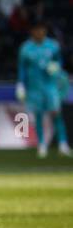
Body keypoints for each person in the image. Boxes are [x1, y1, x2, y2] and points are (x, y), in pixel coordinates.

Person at [16, 21, 70, 158]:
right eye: (36, 30)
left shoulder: (52, 46)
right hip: (34, 87)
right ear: (32, 32)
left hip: (50, 86)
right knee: (38, 116)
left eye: (42, 30)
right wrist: (21, 84)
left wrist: (56, 67)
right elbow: (22, 68)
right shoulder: (26, 48)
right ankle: (42, 145)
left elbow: (59, 61)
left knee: (56, 114)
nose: (39, 33)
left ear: (45, 31)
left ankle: (63, 144)